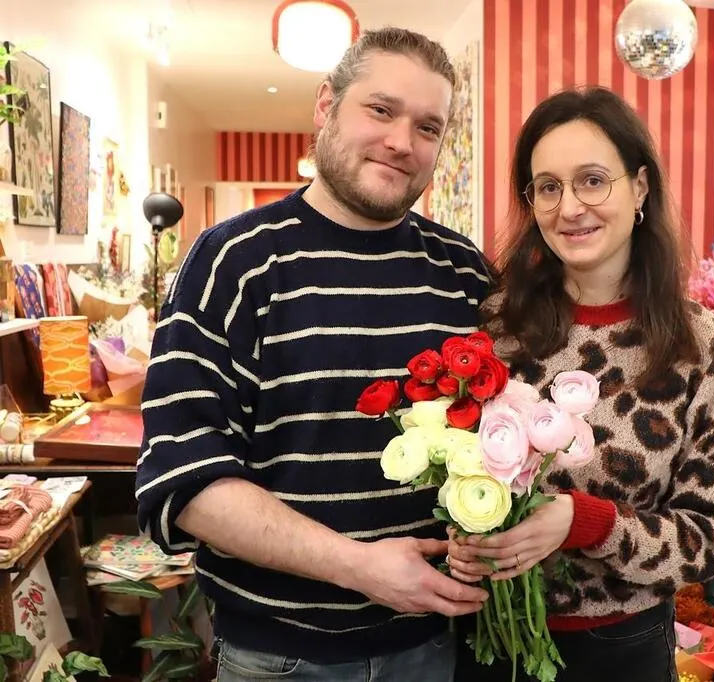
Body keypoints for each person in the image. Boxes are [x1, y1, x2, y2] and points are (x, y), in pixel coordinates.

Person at [135, 27, 492, 682]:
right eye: (380, 110)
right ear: (327, 105)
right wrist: (362, 568)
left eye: (428, 127)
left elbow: (508, 442)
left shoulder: (464, 273)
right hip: (280, 656)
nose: (401, 142)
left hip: (438, 647)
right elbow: (184, 478)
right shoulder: (232, 262)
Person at [447, 86, 714, 682]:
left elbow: (710, 542)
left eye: (592, 180)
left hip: (622, 652)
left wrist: (585, 523)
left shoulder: (702, 349)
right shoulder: (494, 328)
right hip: (487, 644)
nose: (569, 207)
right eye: (548, 187)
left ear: (639, 188)